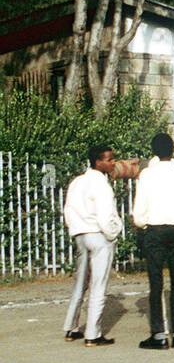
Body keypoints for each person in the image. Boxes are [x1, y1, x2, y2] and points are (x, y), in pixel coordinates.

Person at [133, 133, 174, 350]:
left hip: (155, 231)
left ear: (153, 151)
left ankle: (159, 334)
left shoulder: (147, 175)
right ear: (172, 150)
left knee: (156, 283)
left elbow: (139, 210)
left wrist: (141, 224)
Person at [62, 144, 123, 347]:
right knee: (98, 284)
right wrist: (114, 234)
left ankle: (71, 327)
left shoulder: (77, 182)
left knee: (80, 283)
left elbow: (68, 210)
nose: (113, 162)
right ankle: (93, 334)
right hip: (98, 235)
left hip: (80, 234)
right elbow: (106, 216)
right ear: (98, 162)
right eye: (109, 160)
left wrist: (76, 229)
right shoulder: (101, 185)